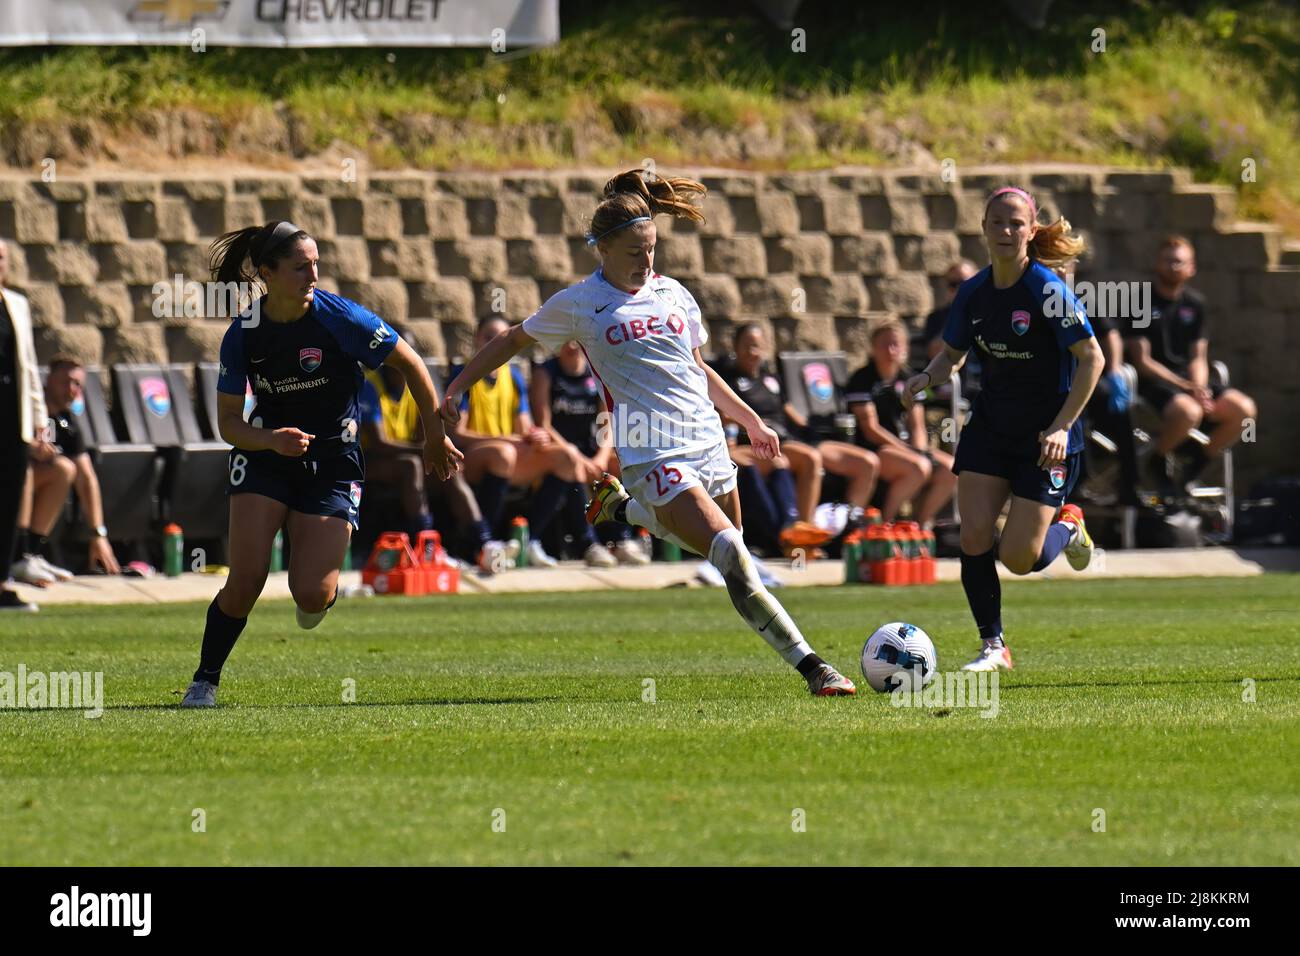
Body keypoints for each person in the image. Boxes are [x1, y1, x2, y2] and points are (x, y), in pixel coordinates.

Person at [443, 168, 856, 696]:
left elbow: (699, 369)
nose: (647, 262)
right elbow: (512, 341)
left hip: (707, 440)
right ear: (604, 250)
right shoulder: (580, 304)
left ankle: (623, 510)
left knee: (732, 560)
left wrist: (749, 419)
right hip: (651, 449)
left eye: (653, 249)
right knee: (732, 552)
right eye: (636, 252)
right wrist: (457, 387)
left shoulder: (676, 295)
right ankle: (815, 668)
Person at [180, 220, 462, 708]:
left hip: (334, 463)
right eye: (299, 267)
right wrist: (269, 439)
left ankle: (318, 585)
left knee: (310, 594)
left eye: (316, 264)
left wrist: (434, 436)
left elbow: (412, 364)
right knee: (245, 581)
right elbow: (229, 423)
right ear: (267, 273)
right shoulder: (244, 332)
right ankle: (205, 680)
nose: (313, 275)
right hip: (266, 459)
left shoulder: (342, 318)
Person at [903, 186, 1103, 672]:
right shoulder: (973, 293)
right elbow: (952, 355)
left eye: (1017, 224)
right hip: (991, 428)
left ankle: (1070, 524)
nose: (1007, 231)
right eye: (998, 223)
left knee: (1019, 558)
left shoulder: (1048, 291)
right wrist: (927, 377)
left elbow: (1092, 358)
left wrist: (1061, 427)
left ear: (1031, 232)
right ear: (984, 230)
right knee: (973, 535)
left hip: (1045, 438)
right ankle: (994, 645)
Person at [450, 316, 616, 568]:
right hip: (470, 457)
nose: (494, 343)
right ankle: (484, 543)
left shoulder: (513, 377)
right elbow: (457, 433)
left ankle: (533, 540)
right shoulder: (465, 375)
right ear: (477, 339)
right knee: (504, 452)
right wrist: (508, 439)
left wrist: (534, 436)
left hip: (508, 455)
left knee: (566, 456)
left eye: (500, 338)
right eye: (488, 337)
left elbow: (525, 428)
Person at [357, 325, 512, 572]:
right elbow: (378, 443)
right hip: (370, 461)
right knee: (412, 465)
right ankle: (427, 547)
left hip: (407, 459)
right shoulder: (369, 385)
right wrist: (427, 449)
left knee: (448, 469)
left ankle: (483, 543)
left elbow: (425, 431)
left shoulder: (415, 383)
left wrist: (432, 449)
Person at [720, 323, 875, 555]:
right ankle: (788, 534)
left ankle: (807, 531)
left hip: (782, 440)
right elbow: (723, 415)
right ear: (736, 347)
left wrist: (816, 426)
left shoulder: (770, 379)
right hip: (750, 442)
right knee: (779, 459)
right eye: (747, 346)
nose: (753, 352)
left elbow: (789, 411)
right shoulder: (729, 380)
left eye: (757, 346)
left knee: (812, 457)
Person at [1124, 236, 1257, 490]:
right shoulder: (1139, 300)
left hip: (1189, 383)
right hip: (1154, 384)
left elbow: (1198, 356)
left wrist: (1200, 388)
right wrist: (1184, 386)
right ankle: (1158, 459)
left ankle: (1197, 460)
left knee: (1244, 410)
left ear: (1191, 267)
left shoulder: (1196, 304)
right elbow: (1142, 361)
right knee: (1189, 412)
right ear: (1157, 264)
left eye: (1179, 262)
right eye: (1168, 261)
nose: (1173, 267)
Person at [527, 340, 648, 566]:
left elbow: (607, 422)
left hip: (590, 449)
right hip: (558, 449)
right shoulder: (546, 372)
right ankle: (588, 544)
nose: (571, 345)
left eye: (576, 339)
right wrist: (580, 458)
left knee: (619, 465)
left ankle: (621, 540)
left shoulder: (597, 371)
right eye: (565, 339)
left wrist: (601, 457)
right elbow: (544, 424)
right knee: (572, 464)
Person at [11, 356, 122, 583]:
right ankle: (15, 555)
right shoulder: (22, 405)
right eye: (66, 382)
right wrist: (29, 449)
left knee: (64, 469)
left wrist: (98, 534)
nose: (72, 390)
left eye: (78, 385)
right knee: (24, 467)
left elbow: (87, 477)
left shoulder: (65, 422)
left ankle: (29, 554)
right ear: (48, 380)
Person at [845, 320, 956, 527]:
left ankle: (919, 526)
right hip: (876, 448)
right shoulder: (862, 379)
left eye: (896, 344)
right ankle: (884, 525)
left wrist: (920, 450)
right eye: (884, 344)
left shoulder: (910, 379)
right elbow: (871, 429)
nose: (891, 350)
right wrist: (908, 451)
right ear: (873, 348)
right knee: (918, 468)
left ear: (905, 347)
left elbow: (917, 425)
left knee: (951, 469)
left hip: (907, 449)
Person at [0, 238, 44, 612]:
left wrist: (39, 418)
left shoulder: (17, 305)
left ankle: (2, 583)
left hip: (12, 419)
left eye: (1, 258)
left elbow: (28, 366)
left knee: (9, 500)